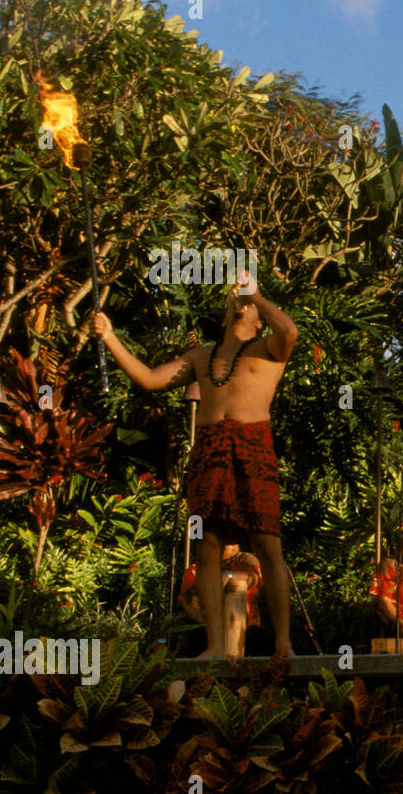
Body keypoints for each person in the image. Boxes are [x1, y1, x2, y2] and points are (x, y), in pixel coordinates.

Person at [92, 269, 298, 659]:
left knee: (267, 544)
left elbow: (289, 332)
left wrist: (258, 295)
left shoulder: (268, 349)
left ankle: (283, 642)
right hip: (208, 452)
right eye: (235, 302)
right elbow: (151, 380)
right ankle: (216, 645)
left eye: (251, 306)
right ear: (224, 317)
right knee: (205, 544)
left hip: (253, 448)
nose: (242, 304)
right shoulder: (201, 357)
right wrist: (110, 337)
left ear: (258, 318)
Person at [176, 544, 270, 658]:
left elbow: (256, 577)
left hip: (248, 631)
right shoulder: (196, 570)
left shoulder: (244, 560)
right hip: (207, 632)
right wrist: (212, 626)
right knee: (198, 637)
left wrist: (229, 576)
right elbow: (188, 605)